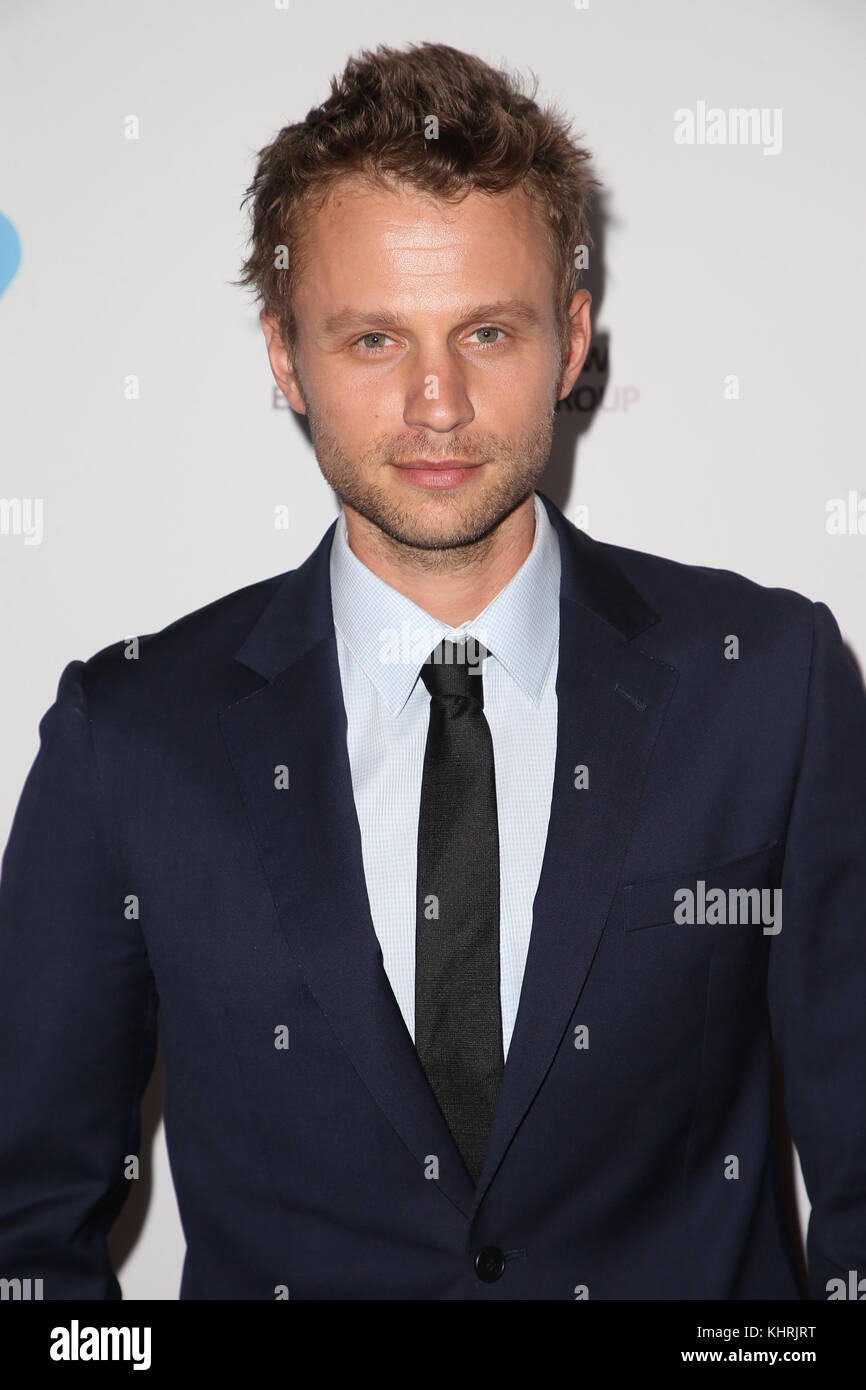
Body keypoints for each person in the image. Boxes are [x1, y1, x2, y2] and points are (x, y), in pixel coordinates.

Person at [1, 40, 864, 1302]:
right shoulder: (129, 736)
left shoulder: (767, 685)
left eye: (486, 331)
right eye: (370, 341)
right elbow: (24, 1233)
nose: (436, 402)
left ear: (570, 343)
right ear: (285, 357)